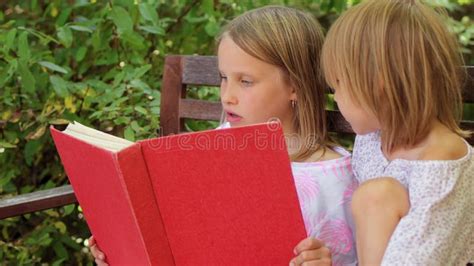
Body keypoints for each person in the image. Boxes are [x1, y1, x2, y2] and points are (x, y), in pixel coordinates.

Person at [90, 6, 358, 266]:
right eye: (223, 78)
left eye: (245, 81)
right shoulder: (218, 144)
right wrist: (123, 249)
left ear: (295, 86)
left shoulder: (334, 180)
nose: (227, 96)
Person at [320, 0, 474, 265]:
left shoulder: (441, 160)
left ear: (379, 83)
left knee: (377, 193)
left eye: (338, 85)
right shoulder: (371, 140)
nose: (337, 99)